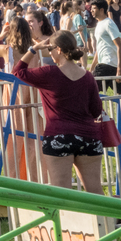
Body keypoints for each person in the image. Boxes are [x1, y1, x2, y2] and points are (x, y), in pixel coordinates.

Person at [15, 31, 105, 194]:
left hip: (59, 137)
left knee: (62, 191)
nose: (49, 53)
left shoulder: (49, 73)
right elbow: (96, 110)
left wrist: (34, 49)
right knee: (95, 191)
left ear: (58, 50)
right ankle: (106, 220)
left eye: (50, 50)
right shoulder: (88, 77)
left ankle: (67, 220)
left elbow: (18, 71)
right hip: (89, 137)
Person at [91, 0, 121, 94]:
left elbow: (119, 46)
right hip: (106, 64)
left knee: (91, 92)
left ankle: (98, 109)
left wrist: (119, 69)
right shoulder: (99, 24)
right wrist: (92, 68)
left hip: (107, 64)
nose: (91, 11)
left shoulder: (108, 23)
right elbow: (99, 48)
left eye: (94, 9)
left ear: (101, 10)